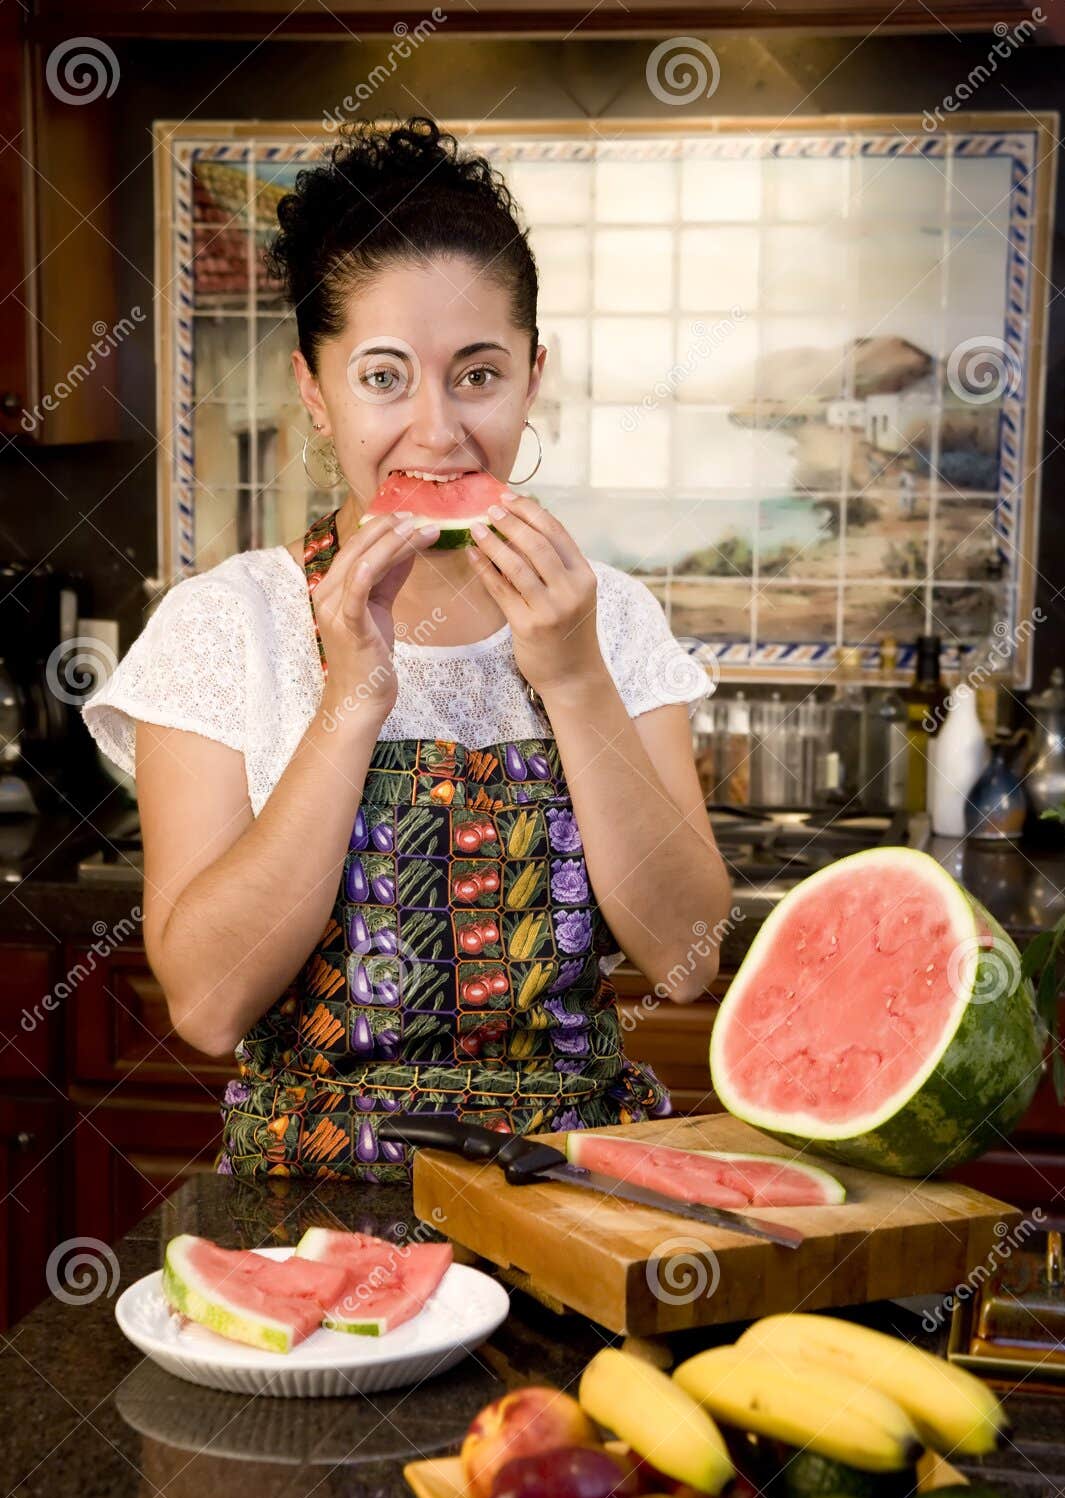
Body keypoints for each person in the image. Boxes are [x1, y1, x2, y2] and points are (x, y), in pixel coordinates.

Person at [82, 115, 732, 1183]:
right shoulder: (223, 622)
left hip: (571, 1191)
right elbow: (206, 1003)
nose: (436, 430)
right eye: (384, 377)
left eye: (476, 374)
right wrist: (350, 701)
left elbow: (688, 957)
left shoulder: (609, 618)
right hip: (312, 1202)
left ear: (531, 374)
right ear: (313, 391)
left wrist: (573, 679)